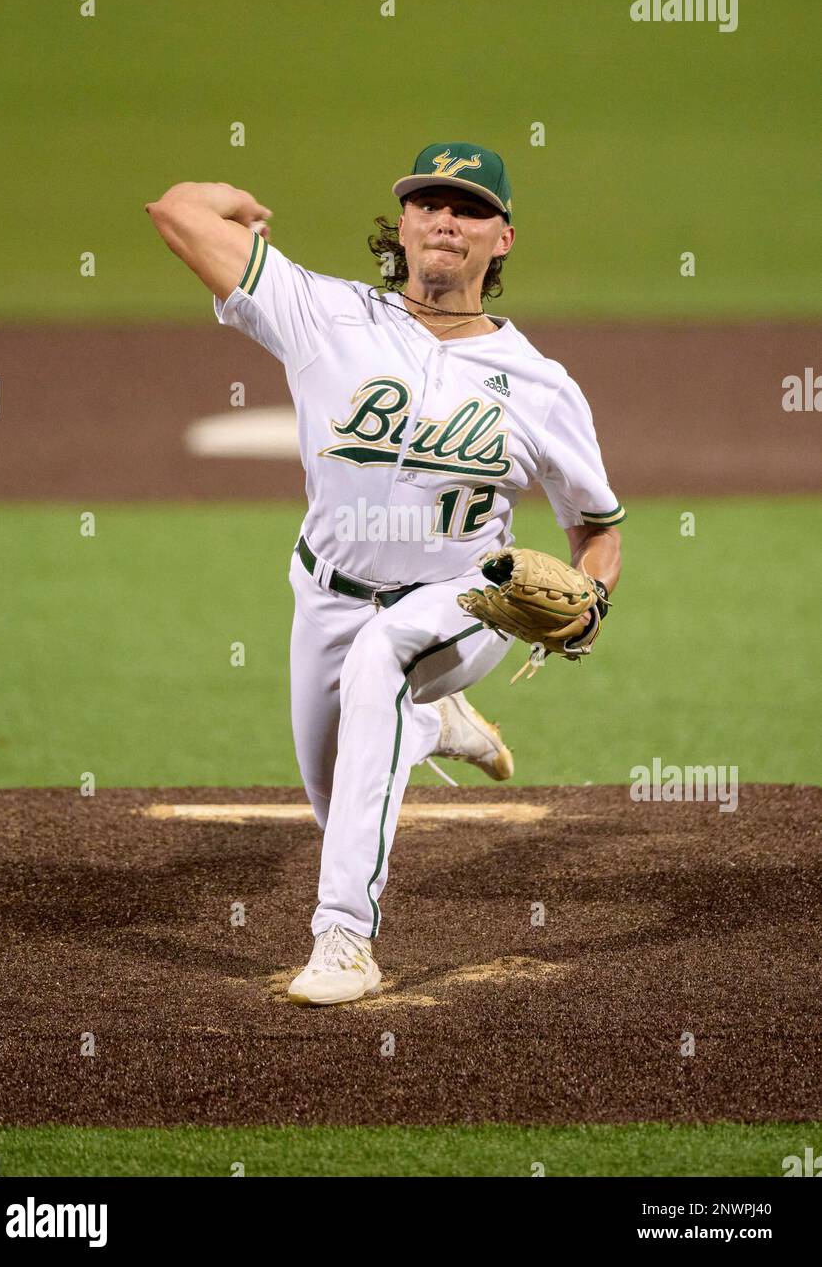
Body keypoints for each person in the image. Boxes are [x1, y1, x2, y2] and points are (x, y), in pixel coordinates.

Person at [146, 142, 624, 1006]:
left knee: (382, 657)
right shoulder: (320, 313)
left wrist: (591, 595)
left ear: (503, 239)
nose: (446, 218)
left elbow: (596, 528)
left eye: (470, 208)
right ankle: (430, 723)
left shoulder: (541, 385)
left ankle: (344, 941)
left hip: (469, 602)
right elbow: (176, 213)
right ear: (400, 225)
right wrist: (239, 203)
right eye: (429, 202)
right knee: (341, 805)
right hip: (325, 594)